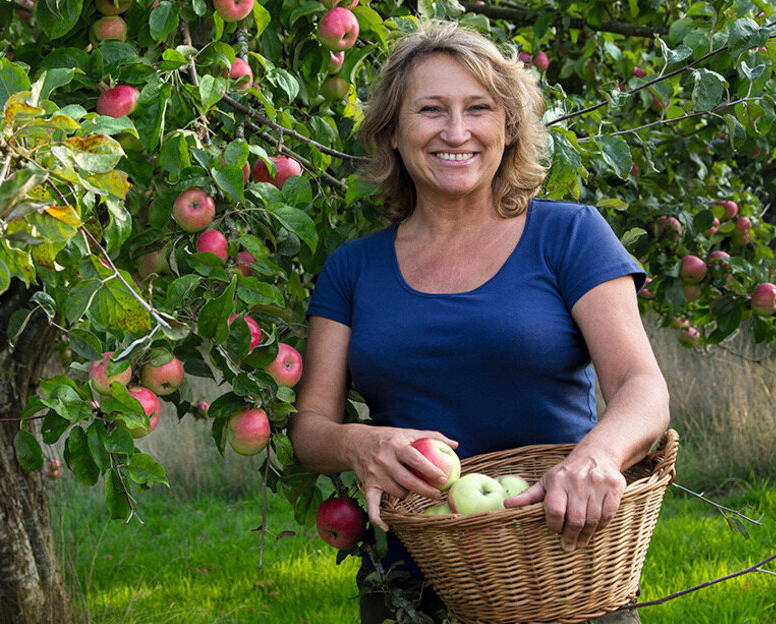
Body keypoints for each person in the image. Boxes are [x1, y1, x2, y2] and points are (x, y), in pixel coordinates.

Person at [286, 21, 670, 624]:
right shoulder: (352, 267)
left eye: (480, 109)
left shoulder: (569, 235)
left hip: (560, 563)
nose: (456, 132)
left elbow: (642, 389)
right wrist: (359, 443)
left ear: (509, 127)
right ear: (392, 132)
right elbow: (309, 430)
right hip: (413, 577)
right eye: (431, 110)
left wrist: (596, 456)